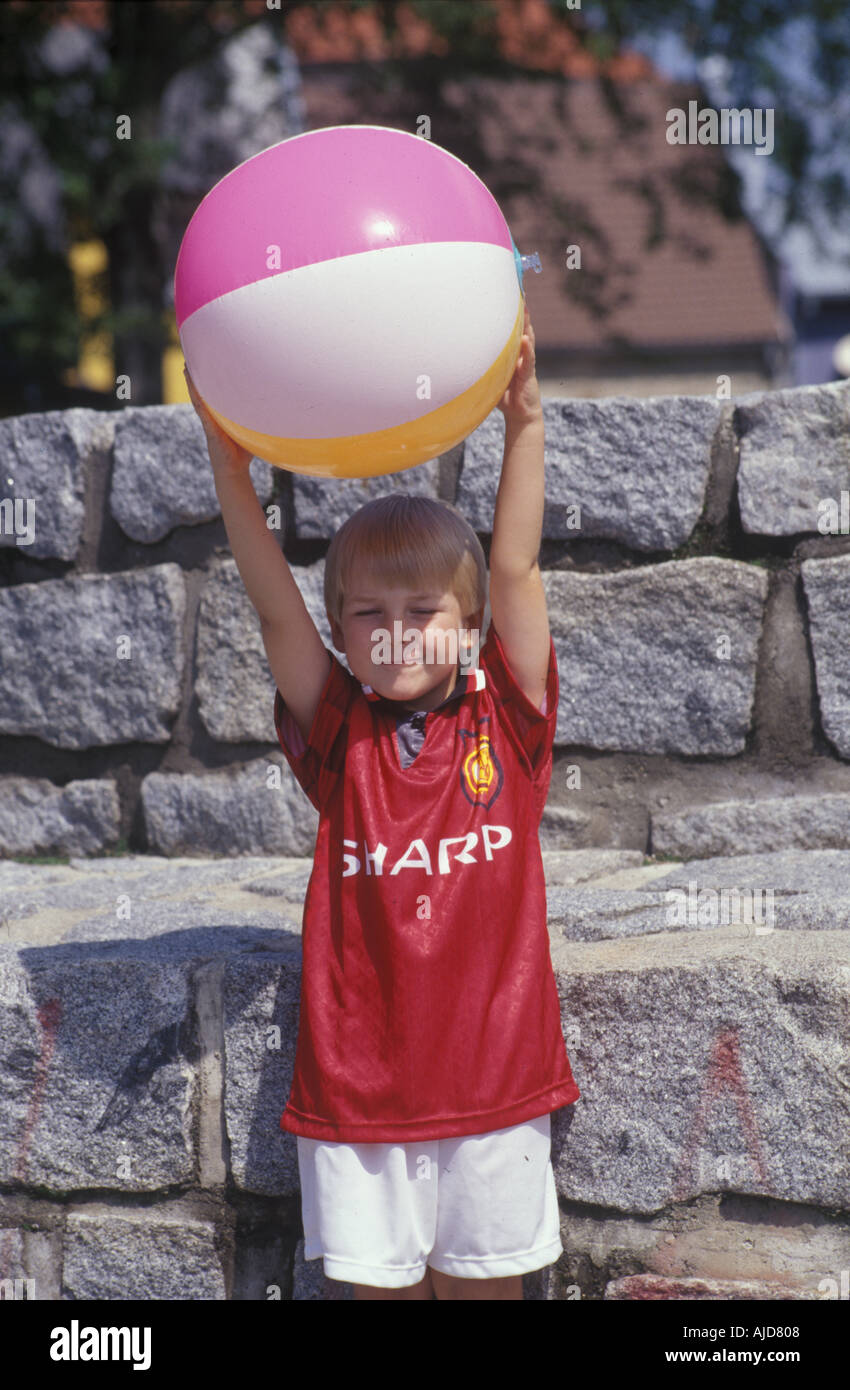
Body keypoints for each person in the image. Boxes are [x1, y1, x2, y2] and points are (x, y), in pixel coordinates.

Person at [184, 300, 580, 1301]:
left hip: (493, 1092)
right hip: (359, 1102)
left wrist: (523, 423)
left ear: (468, 626)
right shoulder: (338, 732)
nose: (396, 632)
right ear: (343, 632)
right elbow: (273, 597)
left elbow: (516, 563)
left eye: (423, 611)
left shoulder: (510, 723)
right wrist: (232, 472)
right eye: (368, 613)